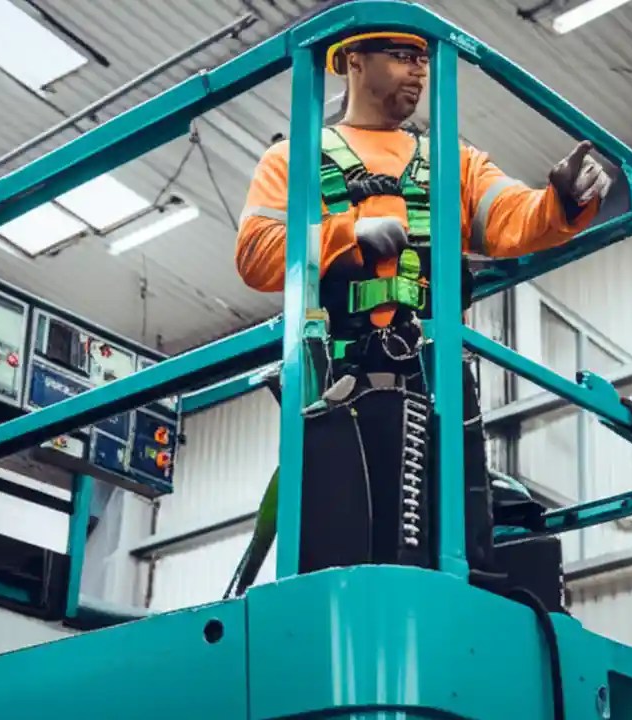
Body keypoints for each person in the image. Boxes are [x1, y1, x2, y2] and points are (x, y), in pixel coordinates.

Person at [232, 31, 612, 592]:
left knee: (461, 545)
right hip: (339, 385)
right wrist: (347, 235)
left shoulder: (452, 163)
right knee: (341, 547)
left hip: (437, 384)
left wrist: (564, 200)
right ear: (354, 60)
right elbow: (256, 253)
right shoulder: (295, 158)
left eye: (423, 59)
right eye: (403, 56)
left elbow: (515, 216)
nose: (419, 71)